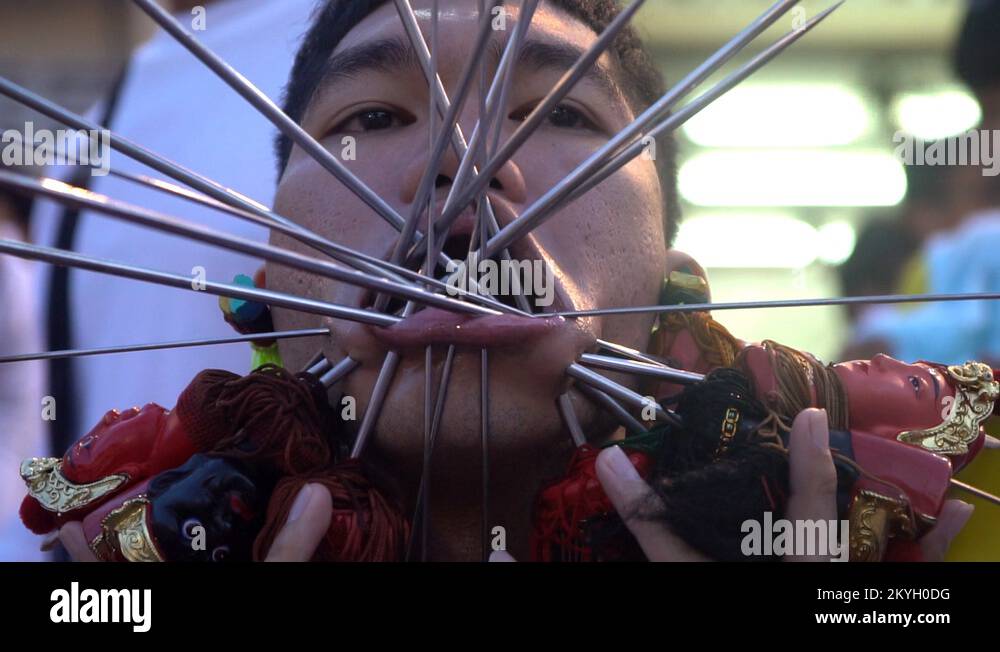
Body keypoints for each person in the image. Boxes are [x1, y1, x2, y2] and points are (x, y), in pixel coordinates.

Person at [57, 0, 975, 561]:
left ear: (674, 294)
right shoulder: (100, 572)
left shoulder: (947, 535)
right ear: (266, 291)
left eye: (561, 111)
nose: (463, 162)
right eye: (374, 115)